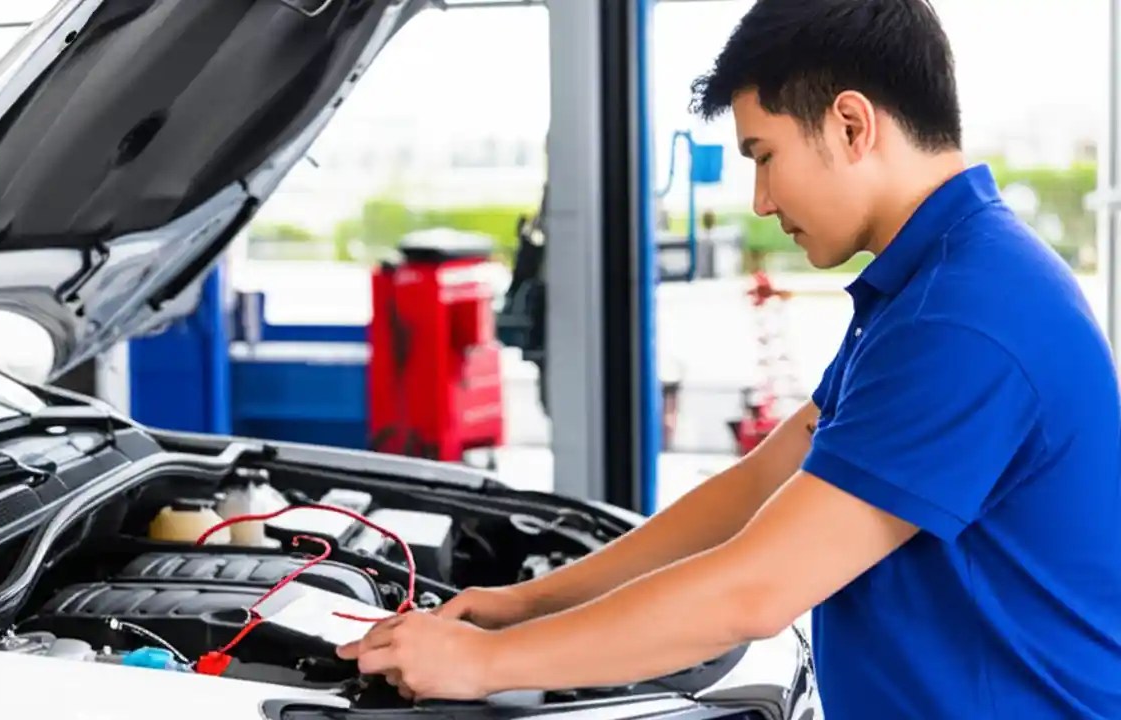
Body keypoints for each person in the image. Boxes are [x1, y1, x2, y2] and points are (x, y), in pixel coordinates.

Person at [337, 1, 1121, 716]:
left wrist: (483, 663)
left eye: (763, 154)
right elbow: (761, 484)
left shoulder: (968, 317)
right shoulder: (937, 281)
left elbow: (756, 590)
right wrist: (528, 602)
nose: (761, 200)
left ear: (852, 125)